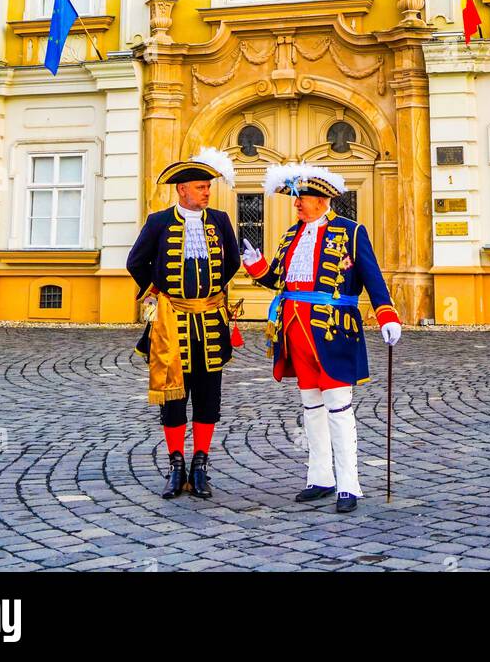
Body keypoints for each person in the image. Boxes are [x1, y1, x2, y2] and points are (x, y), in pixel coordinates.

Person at [242, 163, 401, 514]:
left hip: (331, 330)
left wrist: (386, 313)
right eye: (296, 198)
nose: (297, 204)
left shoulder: (350, 232)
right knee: (311, 407)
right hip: (295, 330)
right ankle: (320, 477)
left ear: (323, 200)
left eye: (304, 198)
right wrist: (256, 266)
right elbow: (280, 280)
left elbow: (371, 275)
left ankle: (349, 484)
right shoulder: (291, 235)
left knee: (339, 408)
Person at [127, 147, 240, 501]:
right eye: (201, 187)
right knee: (173, 398)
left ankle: (201, 465)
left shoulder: (219, 220)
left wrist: (210, 296)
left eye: (208, 187)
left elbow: (233, 262)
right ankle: (176, 466)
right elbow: (136, 262)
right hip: (170, 324)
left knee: (208, 397)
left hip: (209, 320)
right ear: (182, 190)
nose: (207, 192)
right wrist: (158, 292)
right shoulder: (159, 222)